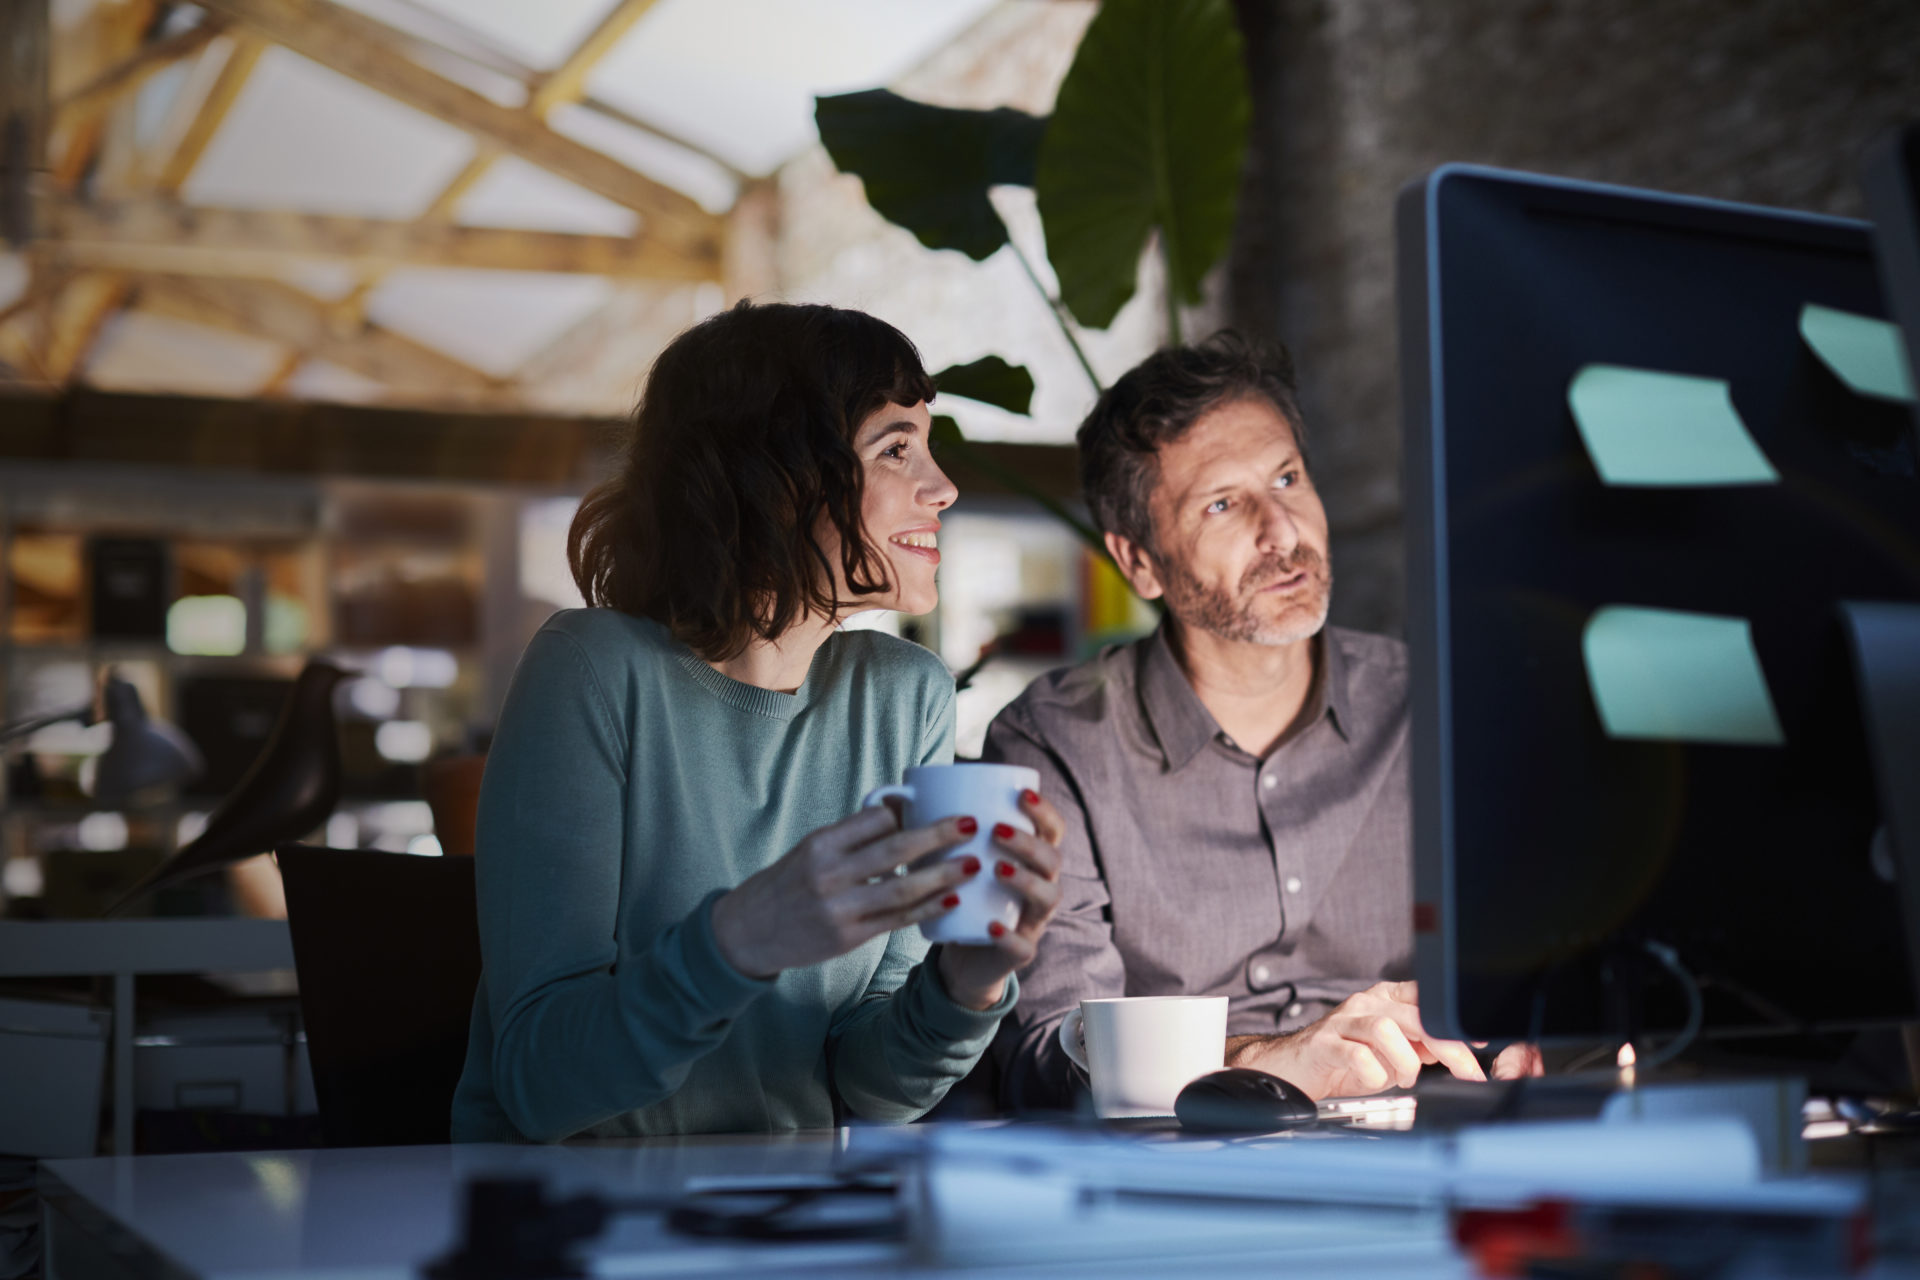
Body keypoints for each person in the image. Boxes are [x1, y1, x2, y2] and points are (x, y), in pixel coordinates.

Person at [452, 301, 1064, 1141]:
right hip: (574, 1224)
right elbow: (538, 1082)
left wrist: (969, 984)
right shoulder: (594, 668)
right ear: (780, 478)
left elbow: (874, 1087)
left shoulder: (904, 694)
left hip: (785, 1217)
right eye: (896, 449)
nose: (944, 487)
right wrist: (739, 939)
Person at [985, 332, 1537, 1110]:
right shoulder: (1054, 746)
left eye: (1287, 478)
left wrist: (1534, 1032)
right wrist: (1281, 1061)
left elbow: (1540, 965)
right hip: (1179, 1173)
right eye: (1222, 503)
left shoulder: (1438, 705)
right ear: (1138, 560)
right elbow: (1045, 1055)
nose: (1283, 533)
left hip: (1435, 1146)